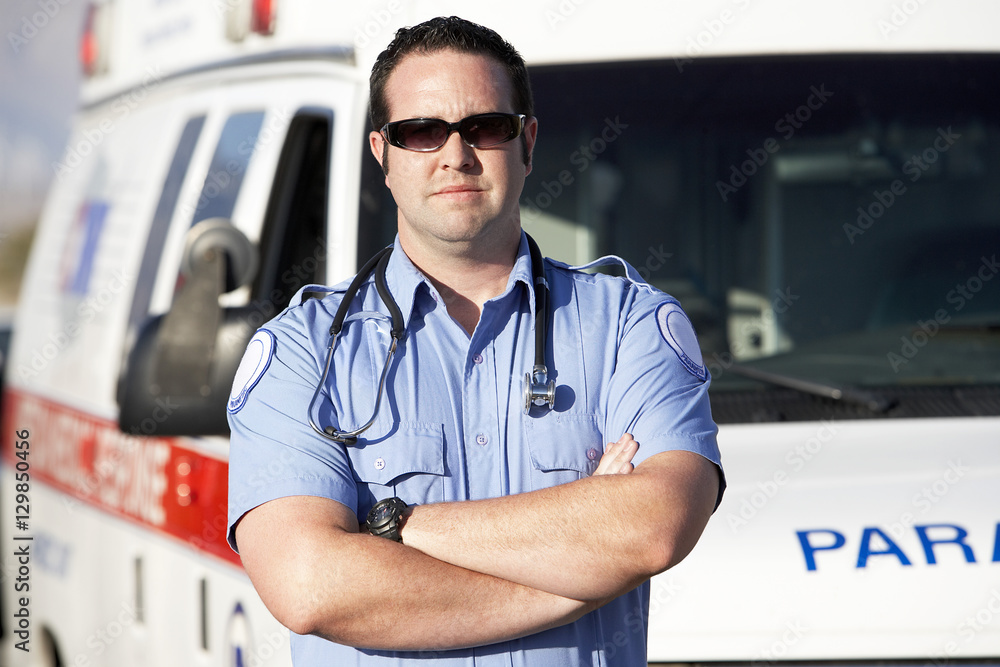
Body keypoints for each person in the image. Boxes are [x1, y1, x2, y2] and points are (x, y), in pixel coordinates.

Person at [226, 15, 724, 666]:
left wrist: (393, 524)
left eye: (485, 127)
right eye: (421, 132)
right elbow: (310, 586)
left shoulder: (629, 323)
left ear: (529, 142)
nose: (454, 154)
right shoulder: (303, 350)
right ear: (382, 152)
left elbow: (654, 528)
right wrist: (581, 572)